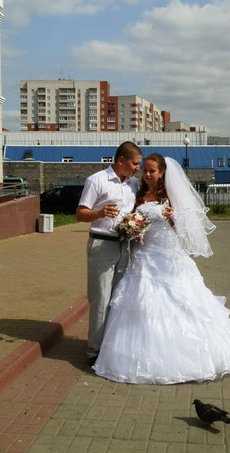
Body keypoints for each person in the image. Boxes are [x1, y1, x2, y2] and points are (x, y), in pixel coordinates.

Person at [93, 153, 230, 384]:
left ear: (162, 172)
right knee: (141, 302)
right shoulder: (139, 193)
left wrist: (173, 215)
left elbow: (181, 224)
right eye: (145, 170)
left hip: (167, 255)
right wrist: (134, 231)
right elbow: (135, 219)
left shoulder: (170, 195)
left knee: (181, 299)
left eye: (152, 171)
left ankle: (188, 355)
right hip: (143, 255)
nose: (147, 174)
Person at [76, 141, 143, 367]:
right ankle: (94, 352)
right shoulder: (97, 180)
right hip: (102, 245)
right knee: (101, 299)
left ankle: (112, 347)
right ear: (121, 160)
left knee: (119, 298)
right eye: (135, 164)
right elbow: (80, 214)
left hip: (125, 246)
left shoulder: (133, 184)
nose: (138, 168)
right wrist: (100, 212)